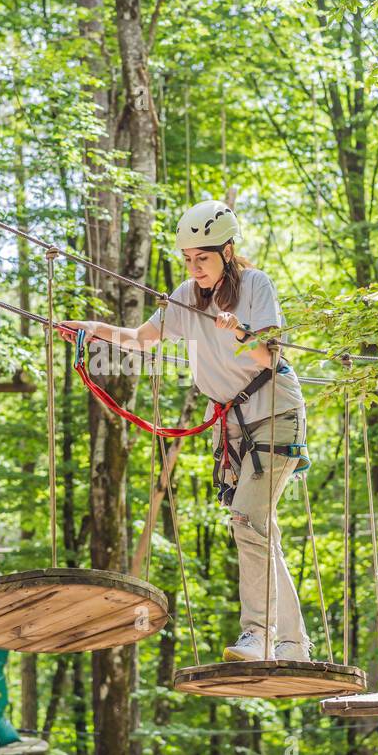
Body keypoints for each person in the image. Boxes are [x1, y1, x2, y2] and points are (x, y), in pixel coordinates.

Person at [62, 200, 313, 663]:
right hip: (235, 429)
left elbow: (269, 358)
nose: (195, 268)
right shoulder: (185, 296)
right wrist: (93, 330)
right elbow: (142, 339)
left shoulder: (255, 285)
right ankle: (294, 644)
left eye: (204, 258)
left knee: (247, 522)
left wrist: (240, 332)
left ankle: (258, 635)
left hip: (275, 413)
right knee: (260, 532)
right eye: (189, 259)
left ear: (228, 251)